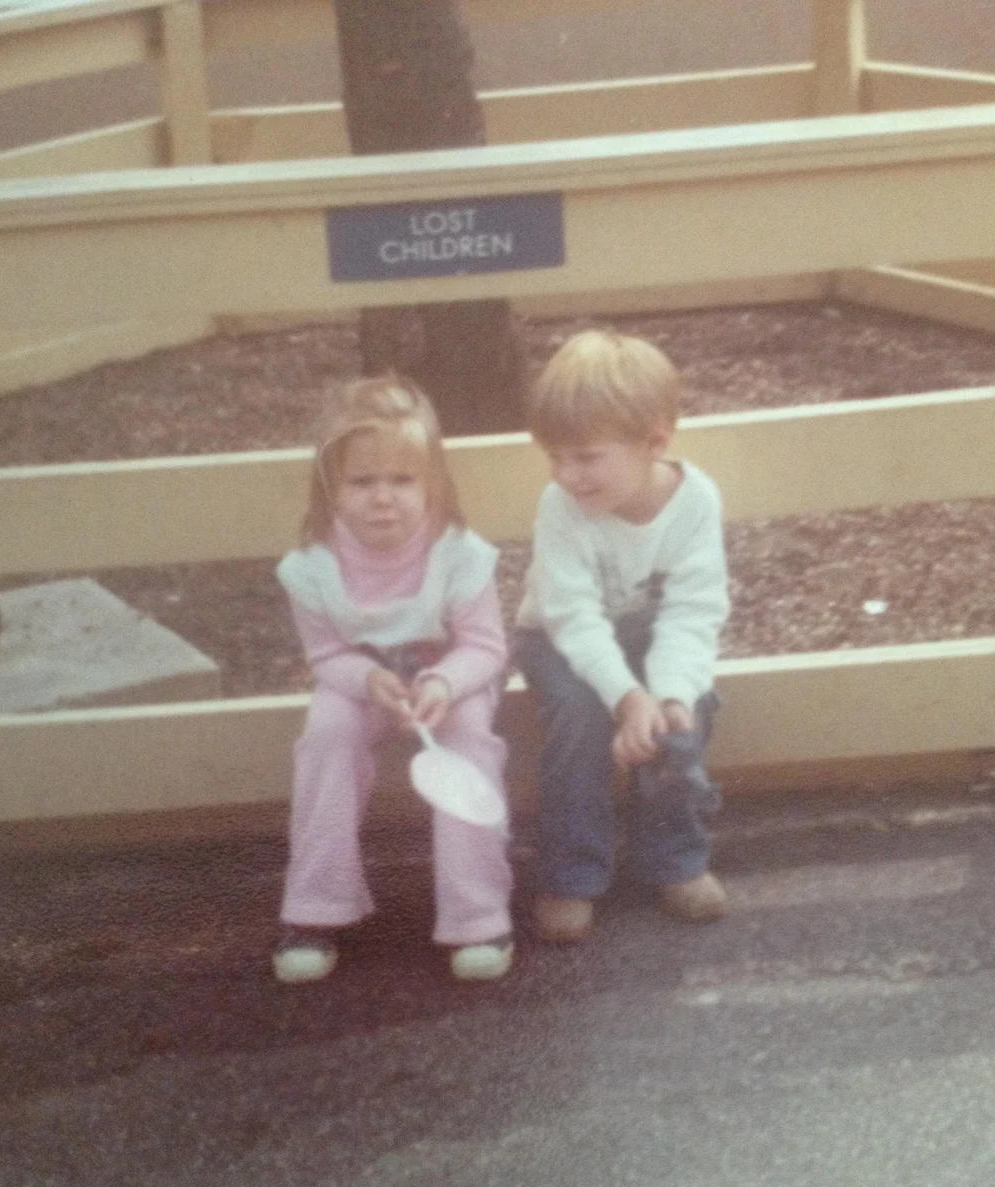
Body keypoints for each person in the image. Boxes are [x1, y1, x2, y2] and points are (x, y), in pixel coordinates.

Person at [274, 375, 514, 982]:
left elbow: (485, 645)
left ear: (432, 483)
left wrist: (442, 683)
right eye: (362, 481)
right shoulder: (313, 568)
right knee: (327, 734)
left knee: (465, 741)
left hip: (448, 687)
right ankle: (315, 909)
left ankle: (478, 914)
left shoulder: (458, 554)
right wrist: (364, 679)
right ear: (330, 488)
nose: (383, 498)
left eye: (403, 480)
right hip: (364, 688)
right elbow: (325, 655)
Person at [516, 329, 730, 944]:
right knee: (581, 715)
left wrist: (665, 697)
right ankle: (572, 872)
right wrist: (623, 696)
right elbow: (572, 617)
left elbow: (692, 612)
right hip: (560, 637)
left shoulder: (695, 502)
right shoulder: (562, 506)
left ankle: (672, 858)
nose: (567, 475)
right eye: (554, 457)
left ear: (653, 443)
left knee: (687, 714)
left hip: (650, 636)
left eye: (585, 457)